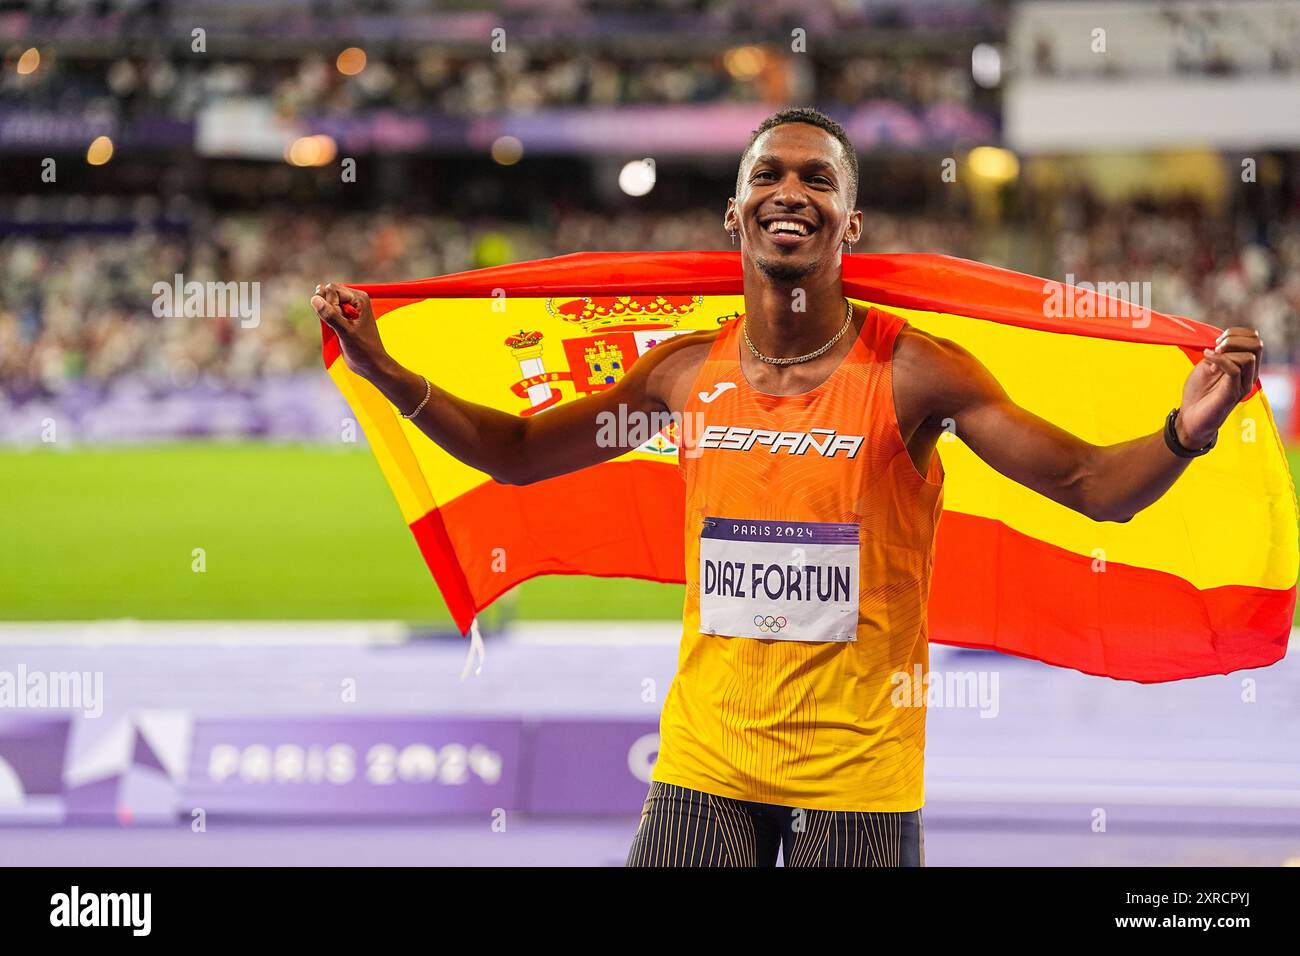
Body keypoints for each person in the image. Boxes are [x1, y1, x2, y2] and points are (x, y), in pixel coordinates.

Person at [311, 107, 1262, 867]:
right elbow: (517, 452)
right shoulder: (683, 373)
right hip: (704, 766)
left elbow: (1095, 487)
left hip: (857, 783)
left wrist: (1190, 428)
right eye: (767, 174)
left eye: (818, 179)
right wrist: (386, 373)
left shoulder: (916, 374)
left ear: (851, 223)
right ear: (735, 215)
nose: (789, 192)